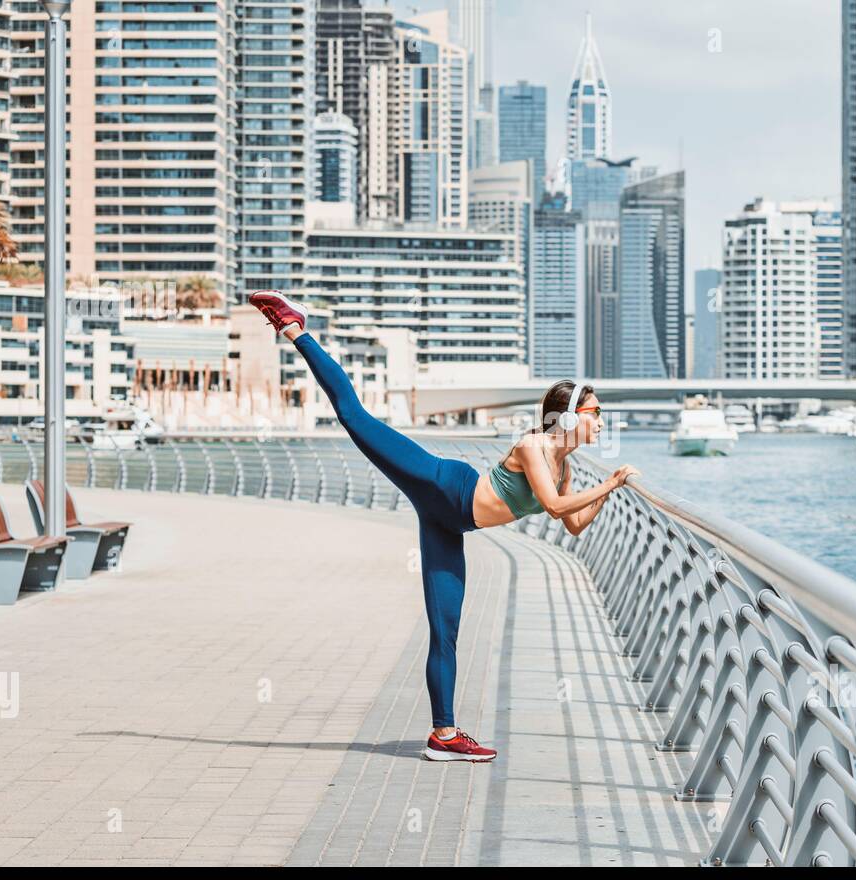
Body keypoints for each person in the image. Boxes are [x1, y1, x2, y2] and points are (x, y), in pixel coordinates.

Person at [248, 291, 641, 763]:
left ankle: (444, 734)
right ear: (570, 415)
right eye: (595, 413)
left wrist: (610, 491)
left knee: (445, 629)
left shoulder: (564, 464)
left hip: (450, 524)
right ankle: (295, 328)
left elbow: (575, 525)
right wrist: (612, 481)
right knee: (354, 416)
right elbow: (557, 508)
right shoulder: (535, 446)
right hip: (442, 485)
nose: (601, 421)